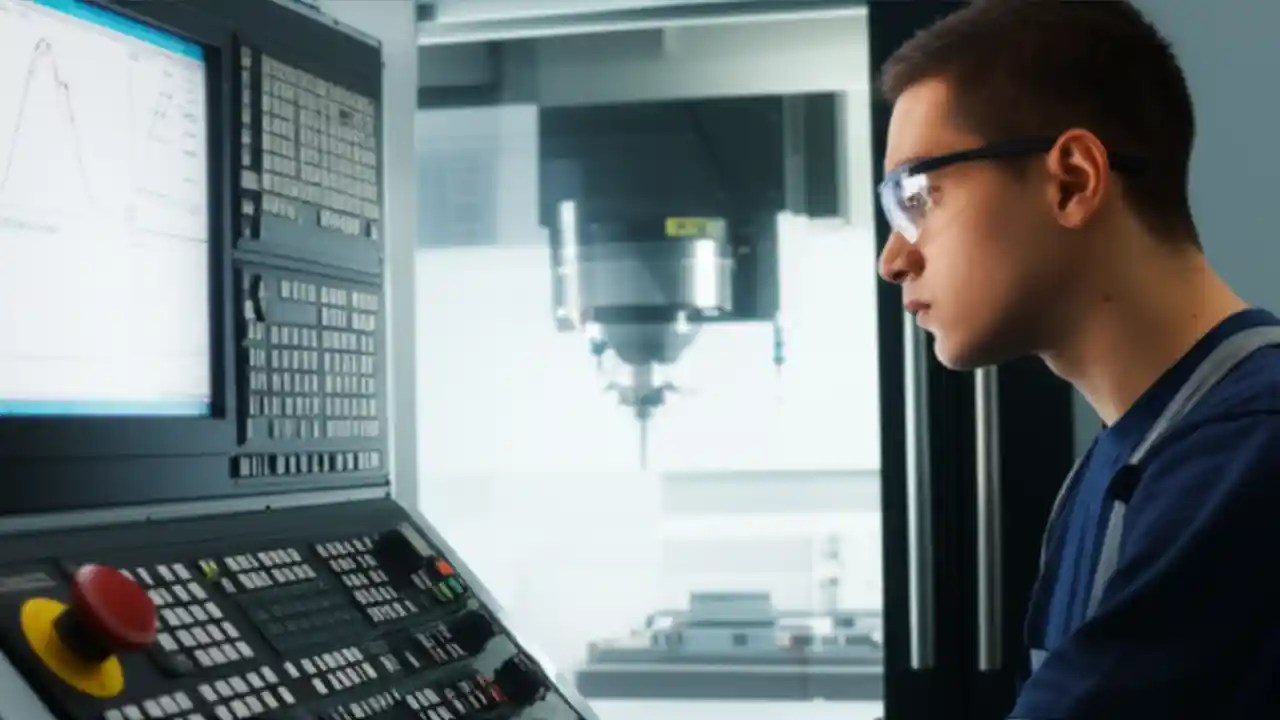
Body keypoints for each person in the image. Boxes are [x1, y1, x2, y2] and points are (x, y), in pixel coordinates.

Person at [875, 0, 1280, 717]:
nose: (894, 258)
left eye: (920, 196)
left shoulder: (1248, 453)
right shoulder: (1119, 467)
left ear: (1072, 180)